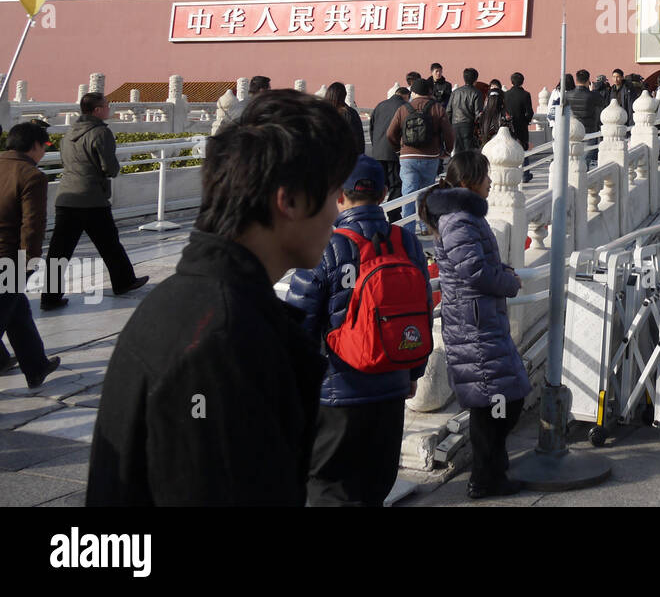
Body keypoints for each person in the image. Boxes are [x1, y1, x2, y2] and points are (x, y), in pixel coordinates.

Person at [86, 89, 358, 505]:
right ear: (288, 200)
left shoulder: (197, 302)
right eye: (330, 195)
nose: (336, 213)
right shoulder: (223, 341)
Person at [285, 154, 432, 507]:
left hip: (338, 394)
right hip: (393, 386)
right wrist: (413, 372)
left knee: (328, 488)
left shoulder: (324, 246)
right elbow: (422, 310)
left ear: (338, 196)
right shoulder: (407, 243)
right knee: (374, 486)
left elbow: (297, 326)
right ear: (383, 194)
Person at [422, 152, 530, 499]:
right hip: (474, 325)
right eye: (486, 175)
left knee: (497, 402)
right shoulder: (459, 220)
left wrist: (503, 273)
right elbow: (476, 272)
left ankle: (491, 474)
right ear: (468, 180)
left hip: (481, 320)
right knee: (496, 403)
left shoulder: (464, 216)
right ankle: (485, 479)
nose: (491, 182)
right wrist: (508, 282)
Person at [41, 92, 148, 309]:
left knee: (59, 251)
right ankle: (124, 282)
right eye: (107, 105)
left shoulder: (70, 132)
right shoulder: (100, 133)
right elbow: (110, 167)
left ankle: (49, 297)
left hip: (66, 196)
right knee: (109, 244)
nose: (110, 109)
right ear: (97, 110)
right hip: (91, 198)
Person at [0, 122, 61, 389]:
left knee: (17, 309)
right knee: (5, 308)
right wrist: (30, 261)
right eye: (45, 146)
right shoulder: (32, 176)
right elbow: (32, 225)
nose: (44, 152)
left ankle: (36, 365)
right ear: (35, 145)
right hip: (8, 258)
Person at [386, 78, 455, 231]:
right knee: (426, 194)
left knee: (408, 194)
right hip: (430, 157)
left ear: (413, 92)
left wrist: (399, 150)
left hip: (407, 158)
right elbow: (449, 133)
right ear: (429, 92)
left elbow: (390, 133)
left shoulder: (403, 109)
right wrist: (447, 151)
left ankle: (408, 231)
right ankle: (425, 227)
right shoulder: (437, 108)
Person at [370, 84, 410, 220]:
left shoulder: (380, 105)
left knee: (379, 184)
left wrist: (376, 147)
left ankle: (373, 212)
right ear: (406, 96)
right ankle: (393, 214)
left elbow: (371, 127)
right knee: (396, 184)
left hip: (378, 152)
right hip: (394, 152)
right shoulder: (404, 107)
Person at [503, 73, 534, 182]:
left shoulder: (505, 95)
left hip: (508, 126)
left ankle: (509, 175)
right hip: (521, 126)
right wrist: (526, 121)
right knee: (523, 150)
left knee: (509, 150)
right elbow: (529, 112)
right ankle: (525, 175)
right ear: (522, 81)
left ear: (511, 81)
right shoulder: (525, 95)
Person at [323, 81, 366, 156]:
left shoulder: (323, 112)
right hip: (345, 159)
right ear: (344, 95)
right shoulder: (349, 113)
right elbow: (357, 140)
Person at [448, 68, 484, 154]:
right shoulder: (476, 93)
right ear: (475, 79)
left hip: (455, 125)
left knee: (457, 151)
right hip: (468, 125)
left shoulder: (455, 92)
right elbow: (478, 113)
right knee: (468, 153)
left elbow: (448, 110)